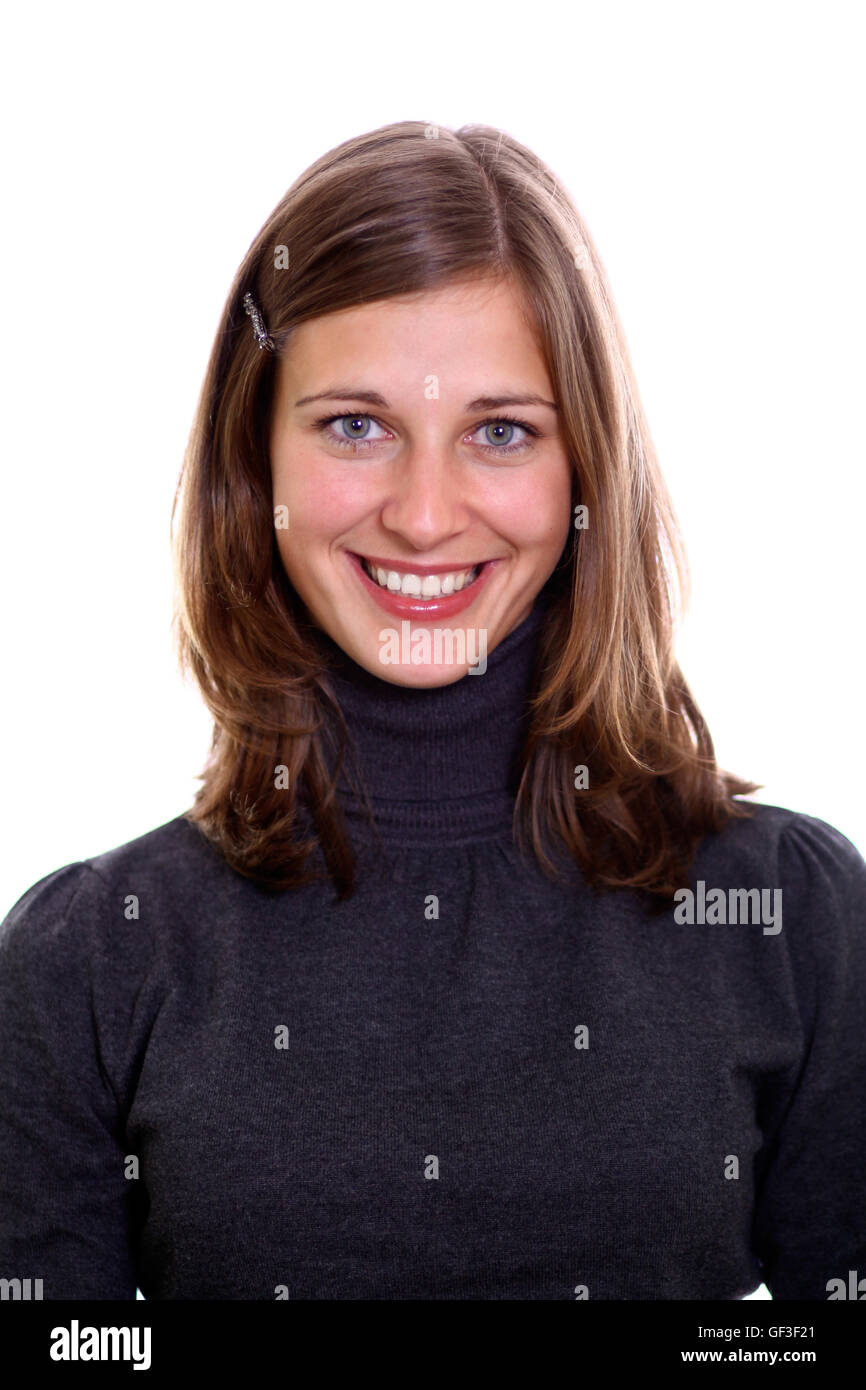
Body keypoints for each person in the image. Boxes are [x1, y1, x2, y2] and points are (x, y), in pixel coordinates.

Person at [1, 119, 864, 1302]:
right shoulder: (85, 959)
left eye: (499, 431)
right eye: (356, 425)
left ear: (583, 473)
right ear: (255, 464)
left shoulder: (793, 916)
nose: (421, 513)